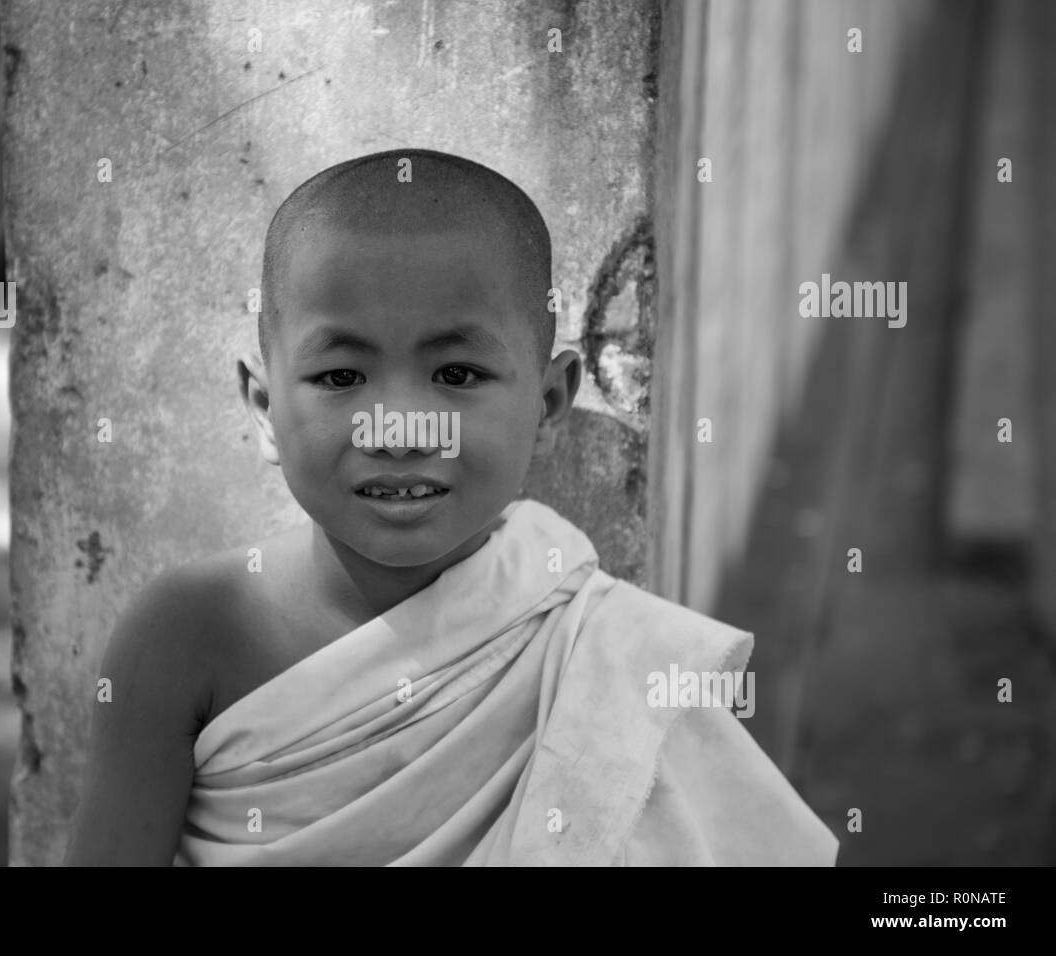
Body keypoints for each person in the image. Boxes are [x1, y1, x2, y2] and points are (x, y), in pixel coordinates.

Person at [64, 148, 838, 866]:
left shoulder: (603, 648)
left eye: (458, 375)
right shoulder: (187, 634)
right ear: (265, 408)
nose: (399, 428)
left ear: (549, 400)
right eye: (340, 378)